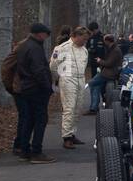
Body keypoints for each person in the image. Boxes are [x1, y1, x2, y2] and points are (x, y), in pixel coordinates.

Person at [13, 22, 55, 162]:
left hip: (25, 87)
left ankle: (24, 150)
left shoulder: (22, 46)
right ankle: (36, 152)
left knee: (28, 120)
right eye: (45, 34)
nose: (46, 37)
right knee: (40, 120)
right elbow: (39, 70)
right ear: (39, 33)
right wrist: (47, 87)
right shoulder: (35, 48)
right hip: (36, 88)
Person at [51, 26, 90, 147]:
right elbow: (53, 65)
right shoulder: (62, 48)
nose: (85, 41)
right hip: (68, 78)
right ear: (76, 36)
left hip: (80, 79)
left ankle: (72, 133)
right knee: (69, 107)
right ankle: (66, 137)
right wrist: (61, 77)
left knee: (78, 108)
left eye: (86, 39)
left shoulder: (84, 50)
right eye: (83, 39)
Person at [87, 34, 123, 113]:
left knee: (91, 83)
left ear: (107, 41)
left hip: (109, 73)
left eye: (104, 40)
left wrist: (100, 61)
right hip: (108, 72)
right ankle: (93, 107)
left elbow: (109, 63)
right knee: (96, 85)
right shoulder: (112, 48)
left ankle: (94, 107)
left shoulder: (115, 50)